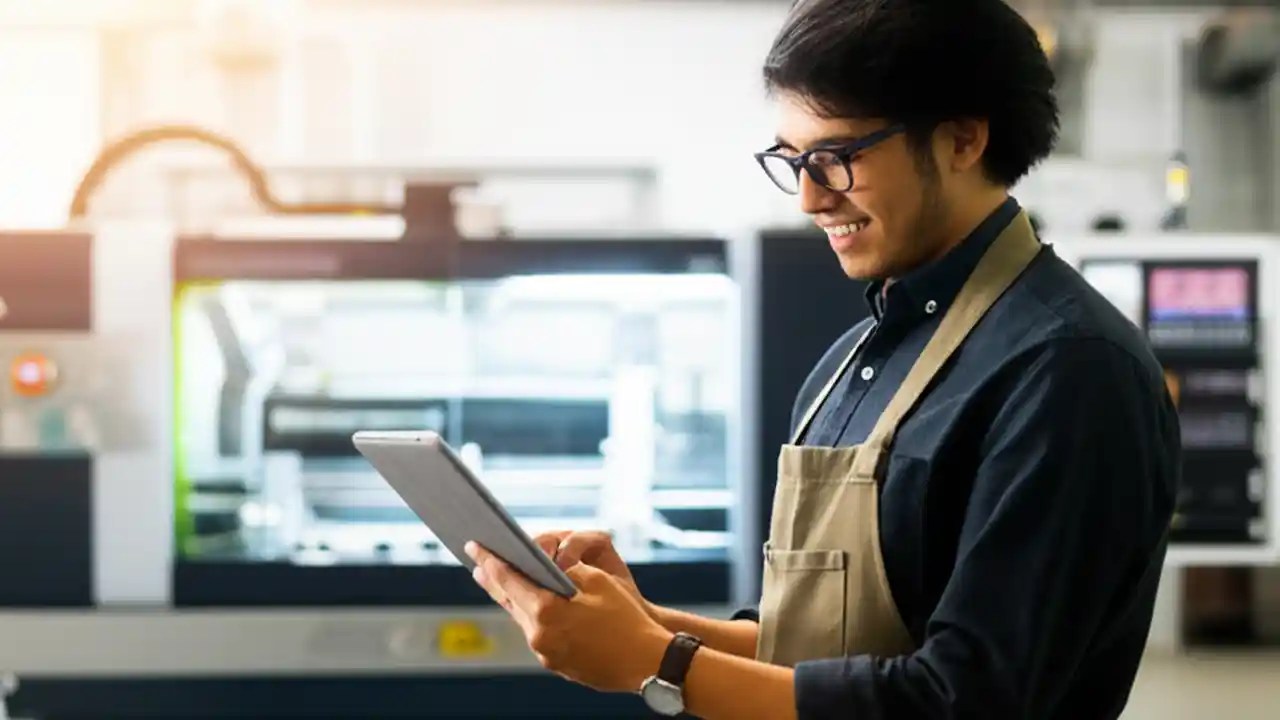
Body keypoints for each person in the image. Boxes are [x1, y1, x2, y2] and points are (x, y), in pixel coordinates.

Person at [465, 0, 1181, 718]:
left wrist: (656, 663)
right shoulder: (855, 359)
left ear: (962, 140)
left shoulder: (1068, 371)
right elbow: (816, 653)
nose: (810, 197)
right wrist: (642, 622)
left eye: (837, 159)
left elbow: (967, 699)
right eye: (793, 160)